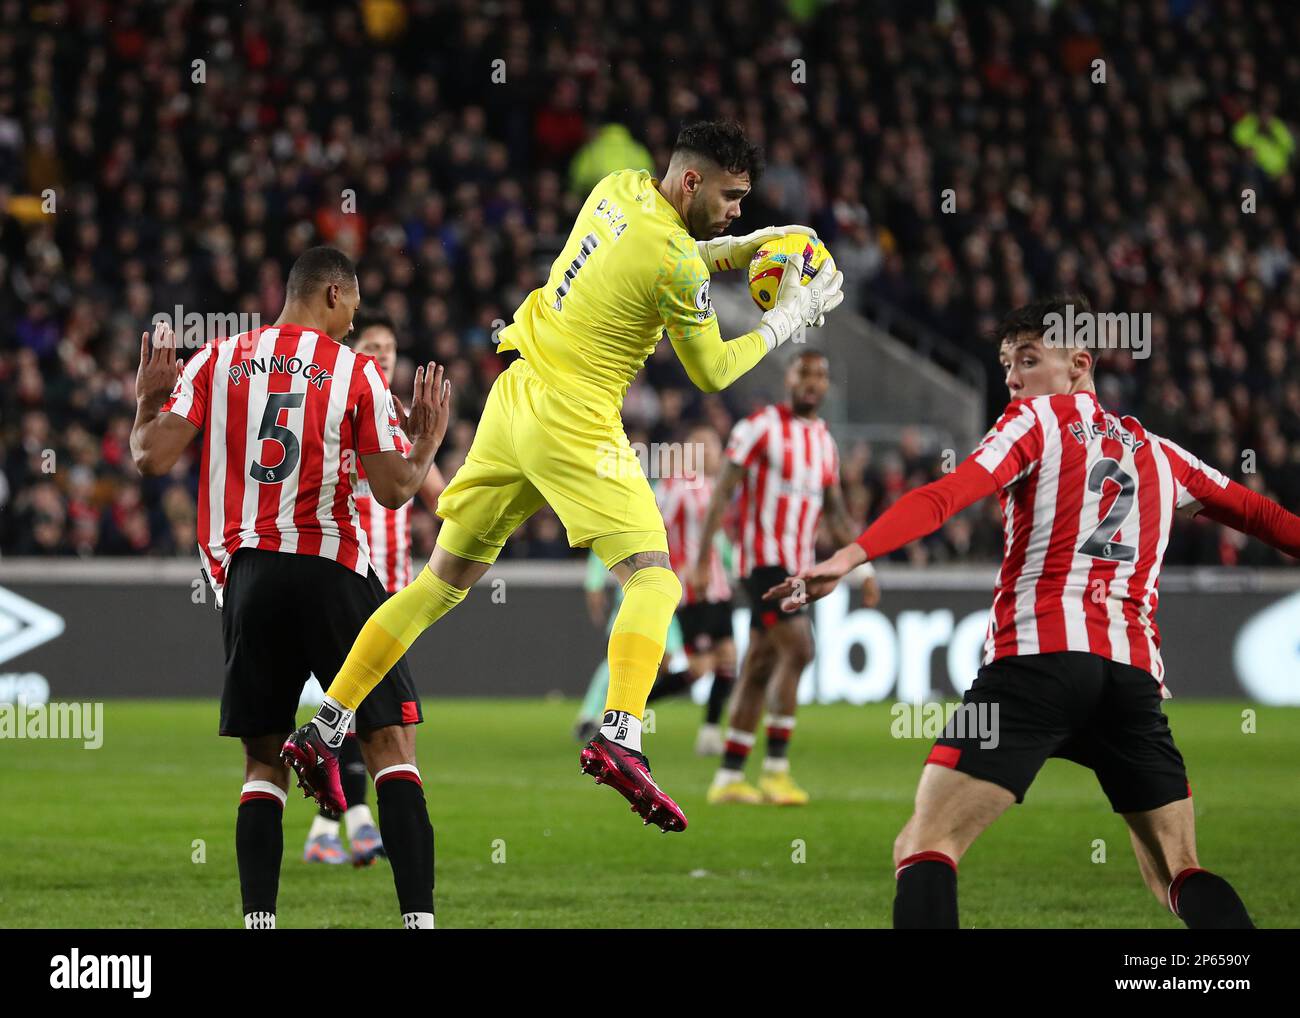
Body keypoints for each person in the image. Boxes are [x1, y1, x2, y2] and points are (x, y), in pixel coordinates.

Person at [281, 119, 845, 834]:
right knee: (655, 577)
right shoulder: (673, 260)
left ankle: (326, 724)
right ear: (693, 181)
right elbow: (710, 370)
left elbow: (671, 255)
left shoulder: (618, 189)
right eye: (733, 198)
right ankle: (622, 733)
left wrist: (743, 248)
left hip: (514, 398)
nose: (740, 211)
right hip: (575, 417)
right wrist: (788, 317)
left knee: (437, 583)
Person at [766, 295, 1300, 928]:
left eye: (1027, 359)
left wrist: (850, 555)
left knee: (924, 843)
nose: (1013, 378)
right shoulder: (1164, 454)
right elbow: (1266, 517)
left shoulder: (1035, 422)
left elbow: (947, 494)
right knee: (1176, 872)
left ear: (1080, 363)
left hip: (1034, 667)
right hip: (1130, 680)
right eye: (1005, 364)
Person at [130, 246, 451, 928]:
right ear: (333, 295)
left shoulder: (218, 360)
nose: (352, 321)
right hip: (332, 569)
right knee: (389, 742)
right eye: (353, 307)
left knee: (263, 759)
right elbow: (395, 492)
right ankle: (419, 921)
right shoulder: (355, 371)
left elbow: (149, 456)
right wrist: (427, 442)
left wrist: (144, 403)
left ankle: (260, 922)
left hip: (249, 578)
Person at [698, 350, 880, 805]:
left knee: (759, 665)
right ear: (789, 379)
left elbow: (836, 514)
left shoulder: (823, 440)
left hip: (796, 566)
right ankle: (777, 770)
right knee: (800, 648)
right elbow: (722, 494)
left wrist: (865, 567)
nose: (813, 383)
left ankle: (729, 777)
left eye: (821, 376)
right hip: (761, 564)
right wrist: (702, 561)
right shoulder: (759, 428)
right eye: (805, 374)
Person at [302, 310, 447, 867]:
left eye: (388, 346)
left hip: (395, 590)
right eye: (372, 345)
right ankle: (360, 823)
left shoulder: (404, 418)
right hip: (347, 575)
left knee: (380, 713)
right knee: (374, 714)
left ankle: (327, 826)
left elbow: (435, 494)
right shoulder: (342, 406)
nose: (382, 354)